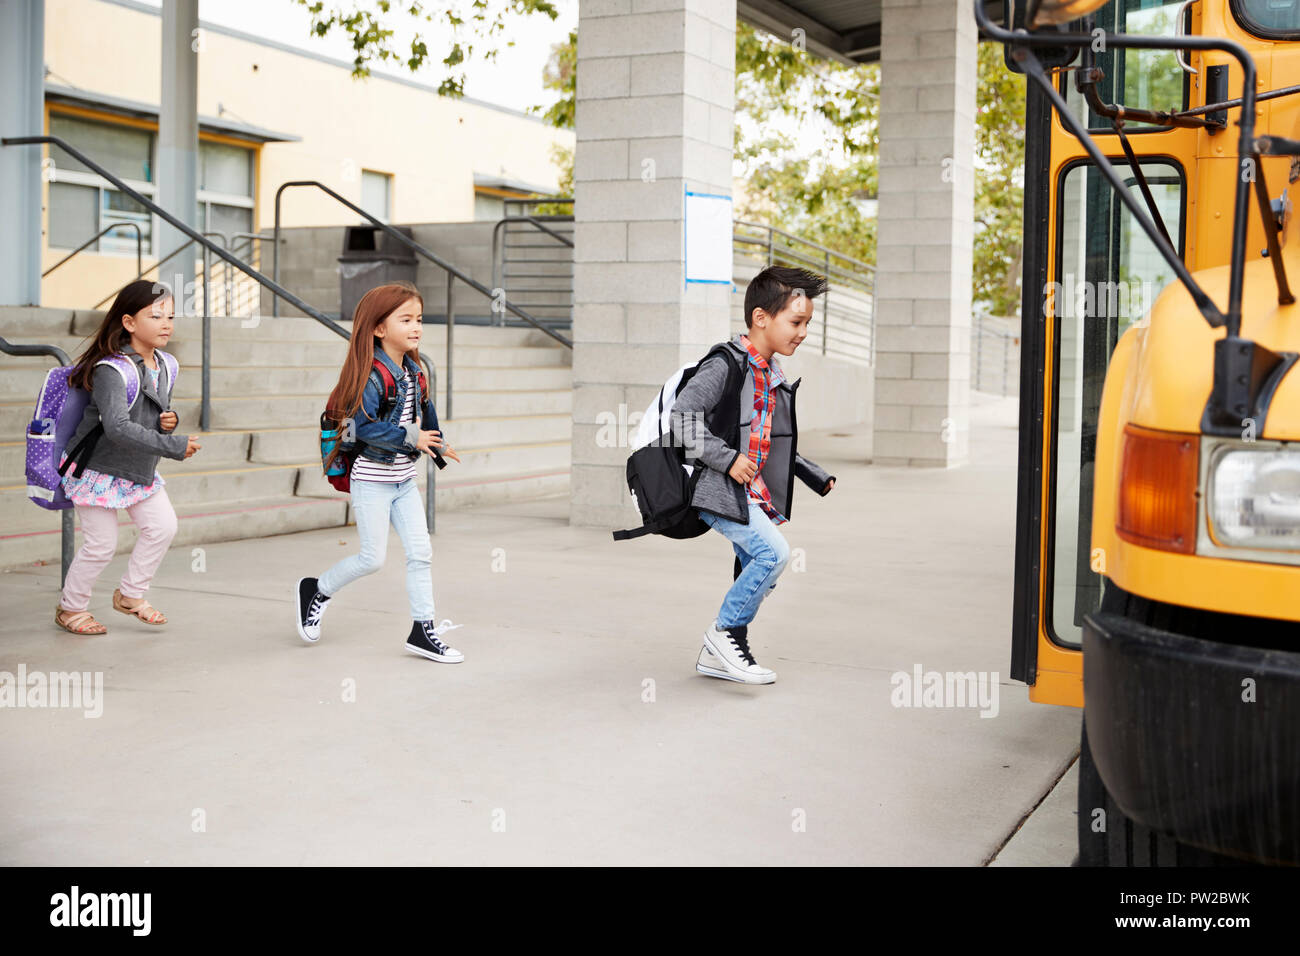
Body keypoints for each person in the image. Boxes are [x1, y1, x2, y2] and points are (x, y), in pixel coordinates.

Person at [670, 266, 837, 684]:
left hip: (753, 491)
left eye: (807, 324)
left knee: (760, 571)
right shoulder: (726, 365)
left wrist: (813, 475)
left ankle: (721, 654)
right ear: (761, 317)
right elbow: (681, 417)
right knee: (773, 556)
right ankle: (722, 636)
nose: (802, 332)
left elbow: (774, 441)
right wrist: (725, 459)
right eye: (796, 322)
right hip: (720, 487)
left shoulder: (771, 372)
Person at [294, 282, 466, 661]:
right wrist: (412, 437)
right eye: (405, 319)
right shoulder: (370, 375)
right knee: (372, 559)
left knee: (421, 554)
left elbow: (427, 412)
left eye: (419, 319)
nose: (416, 327)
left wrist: (436, 443)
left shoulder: (414, 371)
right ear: (377, 328)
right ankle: (316, 590)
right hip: (372, 480)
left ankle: (423, 629)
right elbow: (362, 427)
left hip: (404, 481)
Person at [54, 280, 201, 635]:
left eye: (171, 316)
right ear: (129, 322)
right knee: (101, 544)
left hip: (135, 467)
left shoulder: (167, 364)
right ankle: (70, 608)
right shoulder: (111, 369)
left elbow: (153, 413)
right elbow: (117, 427)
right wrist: (173, 446)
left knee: (163, 526)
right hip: (96, 468)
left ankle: (131, 594)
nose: (167, 324)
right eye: (156, 316)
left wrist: (169, 422)